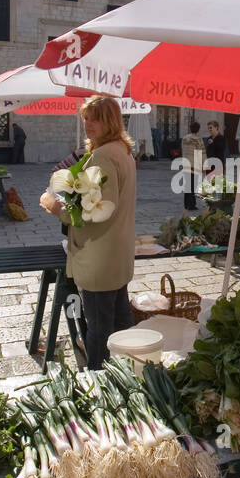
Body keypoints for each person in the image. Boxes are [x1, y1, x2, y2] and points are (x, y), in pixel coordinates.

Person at [39, 96, 137, 370]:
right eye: (85, 117)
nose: (87, 124)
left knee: (99, 330)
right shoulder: (122, 150)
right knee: (121, 322)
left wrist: (55, 206)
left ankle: (99, 380)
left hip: (99, 256)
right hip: (117, 252)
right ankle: (130, 372)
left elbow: (94, 213)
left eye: (94, 118)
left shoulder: (103, 156)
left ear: (110, 121)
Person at [180, 121, 205, 211]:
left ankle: (186, 204)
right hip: (194, 164)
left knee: (187, 185)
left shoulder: (184, 138)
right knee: (193, 185)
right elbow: (201, 153)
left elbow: (182, 150)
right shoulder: (198, 139)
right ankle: (192, 204)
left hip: (186, 163)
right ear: (198, 129)